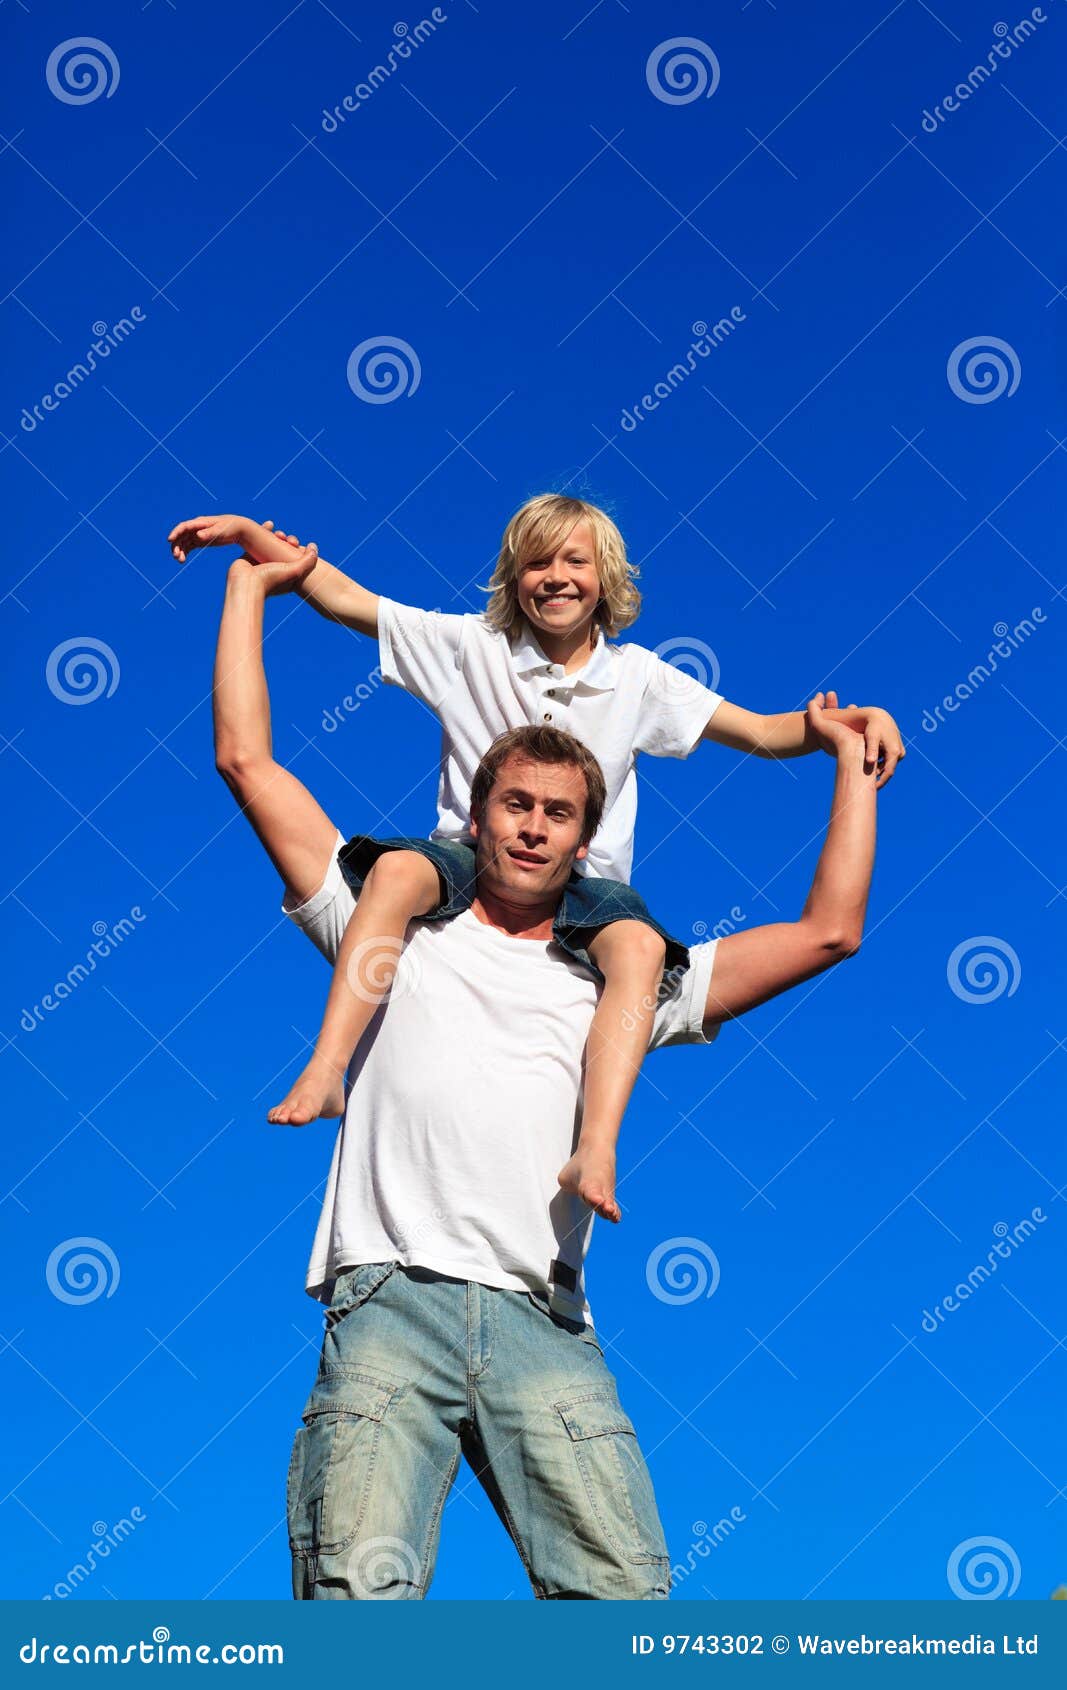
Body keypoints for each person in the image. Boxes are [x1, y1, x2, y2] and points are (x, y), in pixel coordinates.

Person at [210, 548, 880, 1599]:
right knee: (355, 1607)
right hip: (390, 1303)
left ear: (584, 840)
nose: (531, 824)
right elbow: (249, 762)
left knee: (621, 1612)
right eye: (513, 804)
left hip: (545, 1323)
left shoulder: (622, 975)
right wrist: (248, 589)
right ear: (474, 822)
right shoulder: (388, 933)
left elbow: (828, 932)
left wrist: (848, 763)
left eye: (557, 812)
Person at [175, 497, 902, 1229]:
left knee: (641, 950)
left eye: (574, 561)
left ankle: (595, 1145)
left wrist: (837, 733)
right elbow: (340, 597)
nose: (555, 577)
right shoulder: (470, 645)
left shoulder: (641, 678)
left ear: (606, 578)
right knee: (393, 875)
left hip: (591, 892)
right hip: (459, 857)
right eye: (537, 562)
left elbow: (763, 733)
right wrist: (249, 543)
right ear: (511, 577)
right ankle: (329, 1066)